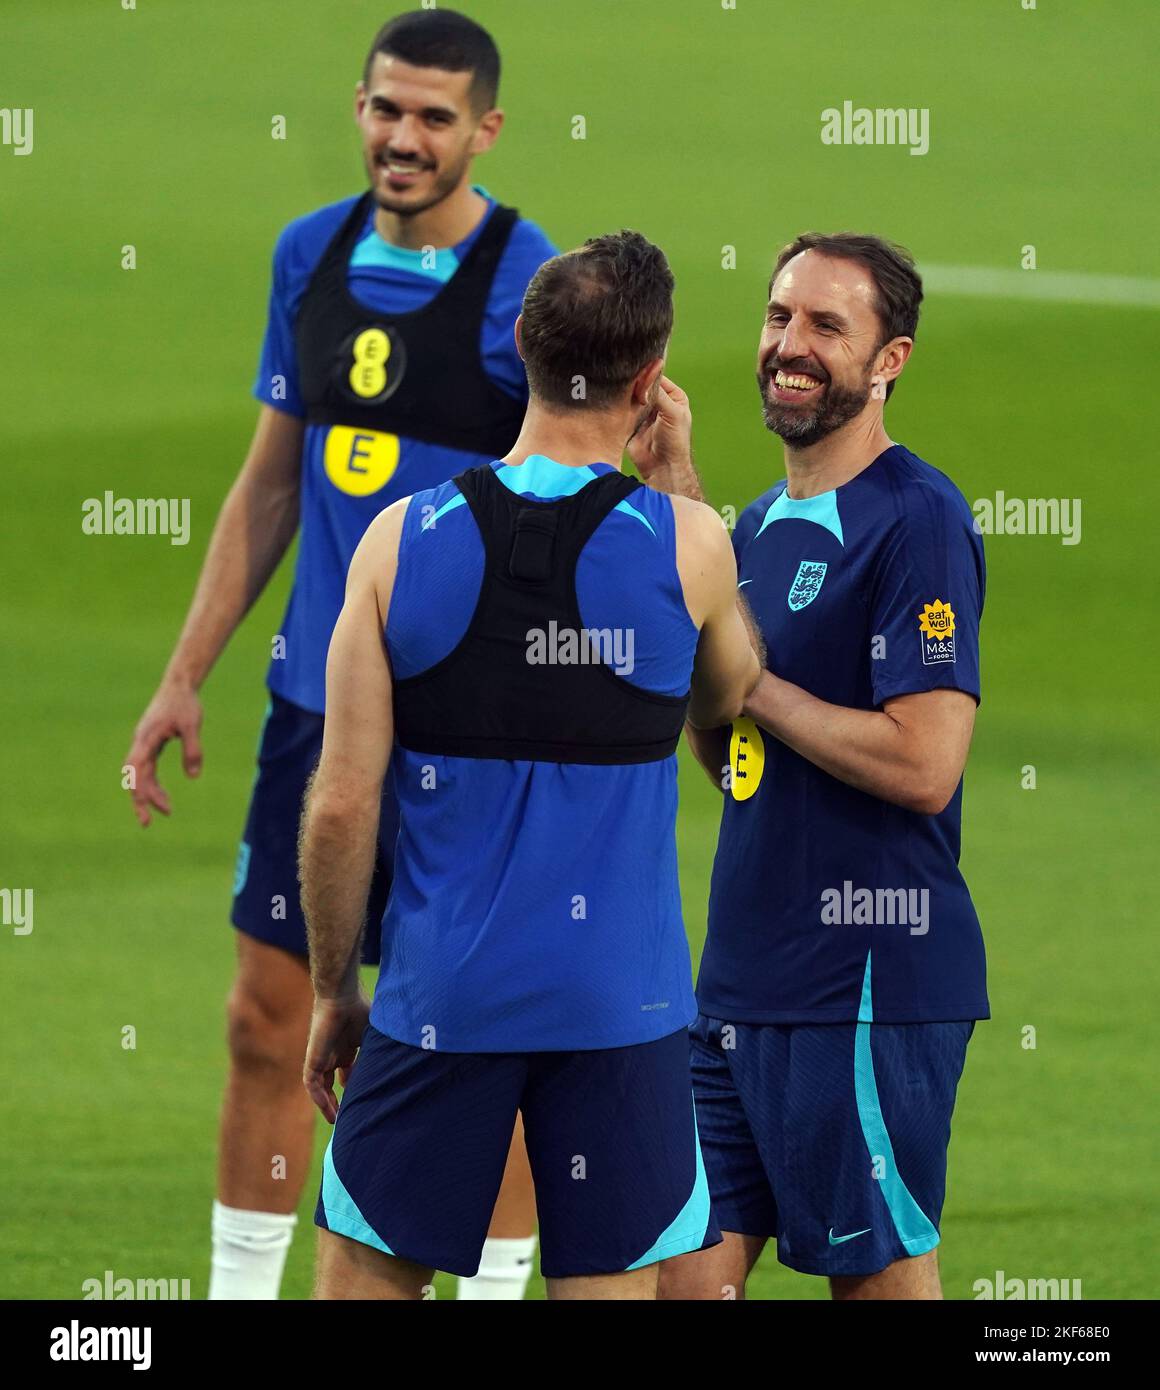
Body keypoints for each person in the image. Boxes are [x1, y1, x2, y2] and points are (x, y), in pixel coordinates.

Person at [123, 10, 555, 1300]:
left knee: (479, 1040)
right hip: (312, 715)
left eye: (433, 116)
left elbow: (572, 501)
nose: (402, 137)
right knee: (265, 1020)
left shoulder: (531, 284)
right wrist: (183, 672)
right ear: (356, 106)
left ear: (485, 129)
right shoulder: (306, 254)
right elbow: (270, 482)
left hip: (466, 732)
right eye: (384, 108)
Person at [298, 230, 763, 1299]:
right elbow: (733, 702)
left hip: (440, 999)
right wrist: (677, 481)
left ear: (520, 341)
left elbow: (340, 809)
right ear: (648, 381)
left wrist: (333, 989)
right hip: (623, 1011)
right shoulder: (689, 546)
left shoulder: (397, 542)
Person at [661, 233, 987, 1301]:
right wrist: (677, 500)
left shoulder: (917, 520)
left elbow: (926, 763)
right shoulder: (756, 524)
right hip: (738, 982)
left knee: (875, 1283)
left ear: (888, 360)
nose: (788, 345)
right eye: (777, 316)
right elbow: (733, 763)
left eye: (824, 327)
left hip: (860, 985)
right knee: (675, 1286)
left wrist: (751, 683)